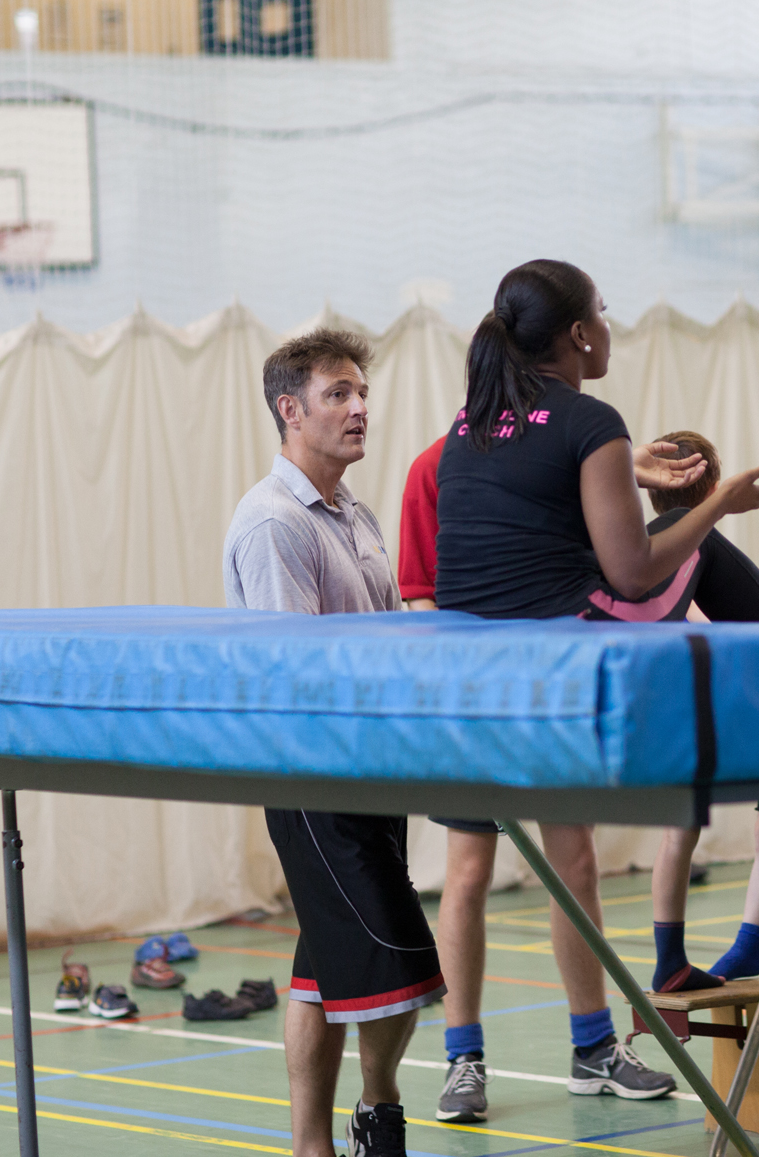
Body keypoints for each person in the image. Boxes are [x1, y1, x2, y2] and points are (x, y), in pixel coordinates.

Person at [435, 259, 759, 1093]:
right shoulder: (591, 418)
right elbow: (629, 572)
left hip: (473, 677)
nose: (610, 326)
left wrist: (634, 474)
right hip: (566, 654)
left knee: (557, 861)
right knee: (697, 541)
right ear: (581, 333)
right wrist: (714, 504)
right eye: (604, 312)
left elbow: (536, 524)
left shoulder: (470, 421)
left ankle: (493, 1057)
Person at [396, 431, 671, 1122]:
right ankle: (463, 1057)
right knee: (466, 874)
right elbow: (419, 593)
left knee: (575, 864)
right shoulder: (435, 467)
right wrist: (477, 675)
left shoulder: (562, 454)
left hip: (551, 698)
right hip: (477, 704)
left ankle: (594, 1047)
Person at [223, 329, 443, 1157]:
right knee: (398, 963)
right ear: (291, 409)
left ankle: (315, 1144)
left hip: (375, 770)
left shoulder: (355, 512)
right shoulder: (274, 523)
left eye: (362, 393)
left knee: (320, 971)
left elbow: (381, 638)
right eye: (338, 394)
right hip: (314, 775)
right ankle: (378, 1117)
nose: (359, 409)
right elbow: (295, 673)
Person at [640, 430, 759, 994]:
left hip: (715, 690)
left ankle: (673, 958)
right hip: (756, 688)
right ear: (711, 483)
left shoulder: (663, 540)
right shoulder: (687, 539)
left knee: (683, 828)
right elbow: (686, 620)